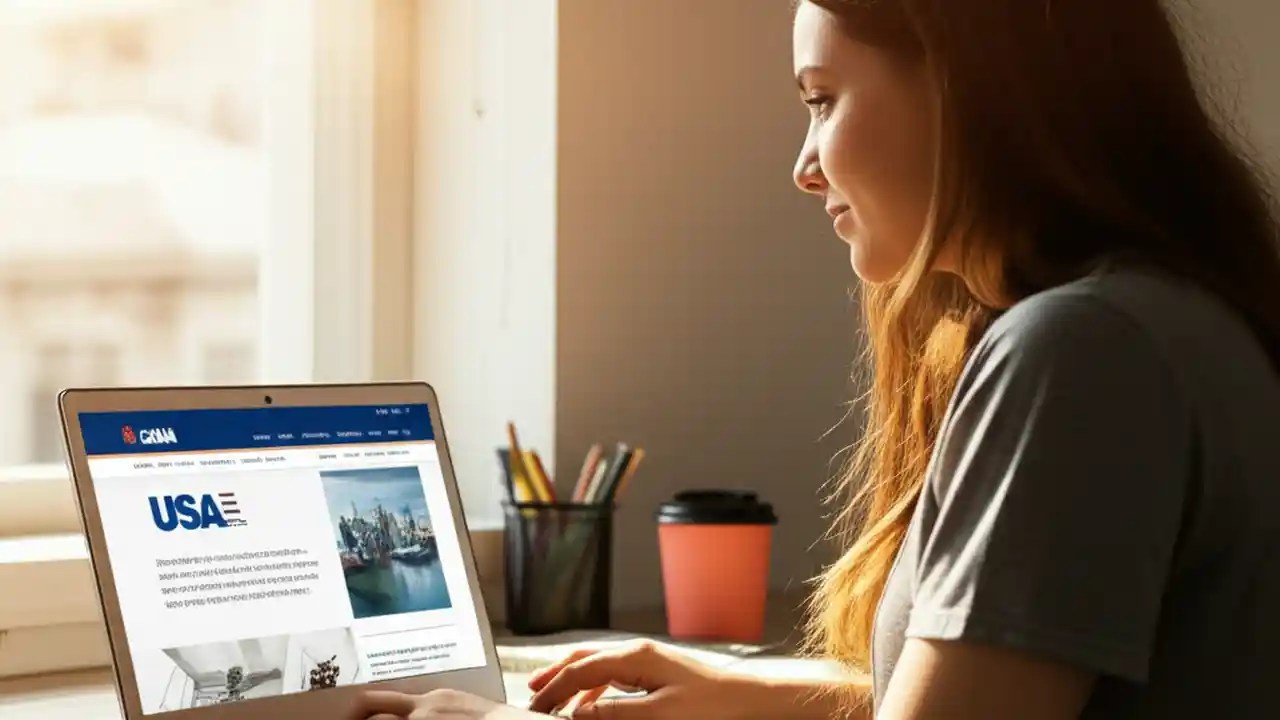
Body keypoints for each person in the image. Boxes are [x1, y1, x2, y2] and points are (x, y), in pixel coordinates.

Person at [351, 0, 1280, 717]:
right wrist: (743, 693)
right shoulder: (1166, 318)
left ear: (965, 84)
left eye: (822, 100)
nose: (804, 164)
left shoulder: (1083, 354)